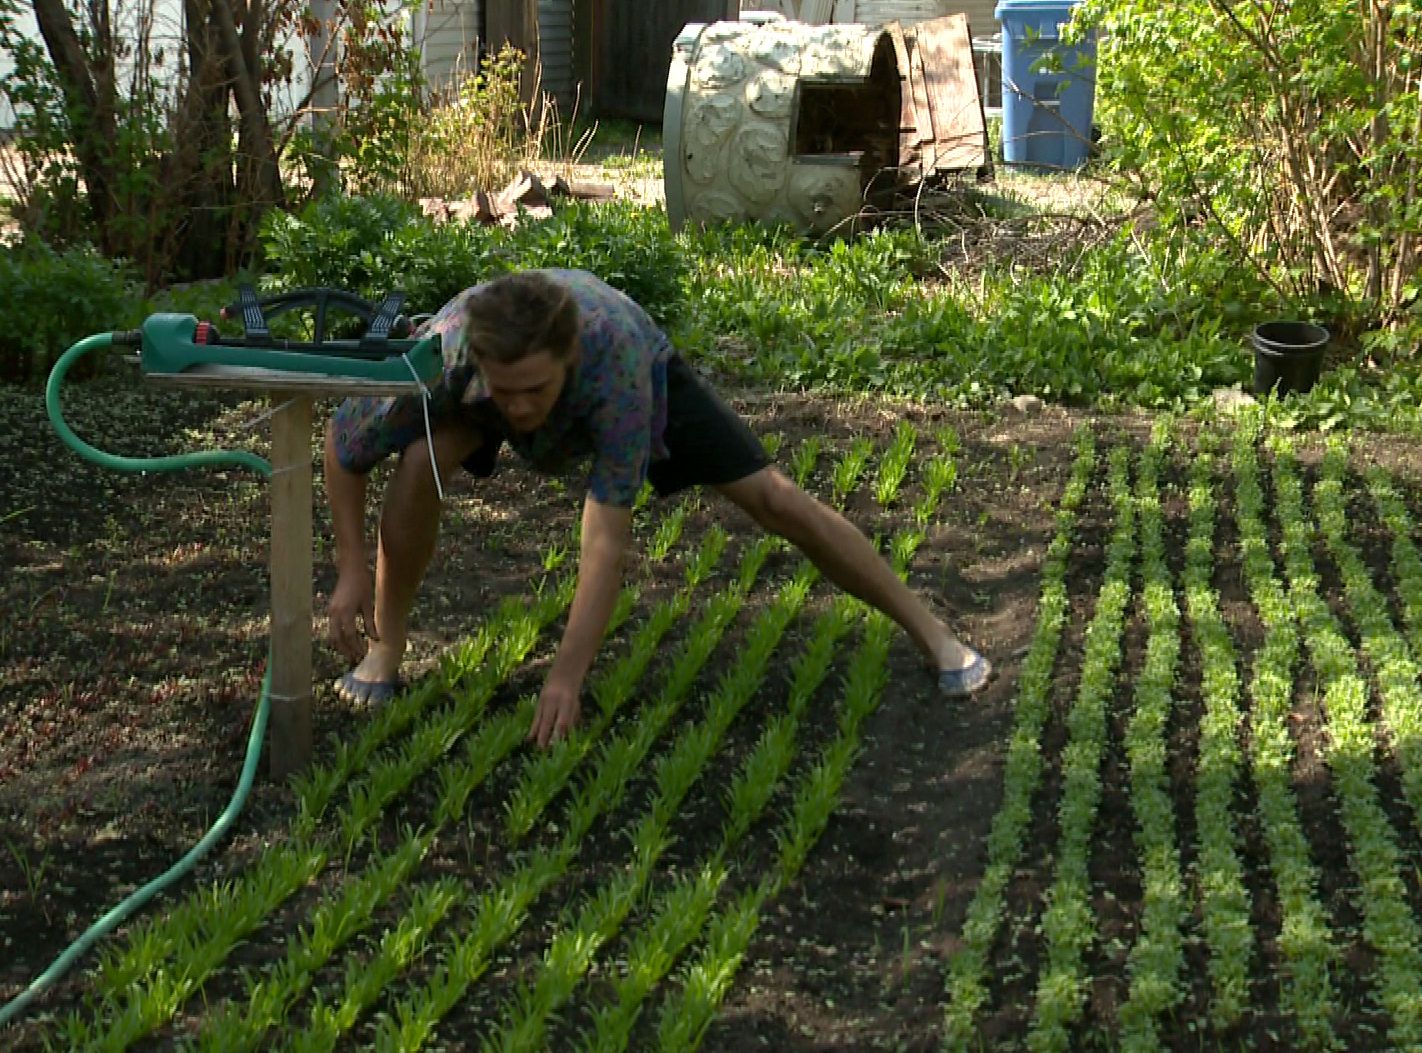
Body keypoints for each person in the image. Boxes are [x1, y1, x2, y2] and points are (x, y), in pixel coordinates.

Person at [324, 269, 991, 747]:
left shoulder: (616, 367)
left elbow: (605, 541)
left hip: (633, 361)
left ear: (569, 360)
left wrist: (566, 676)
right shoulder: (442, 355)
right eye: (509, 390)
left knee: (773, 498)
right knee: (417, 460)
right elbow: (343, 445)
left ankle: (935, 635)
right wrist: (349, 568)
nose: (522, 406)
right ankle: (386, 651)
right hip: (474, 391)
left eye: (535, 389)